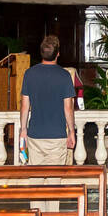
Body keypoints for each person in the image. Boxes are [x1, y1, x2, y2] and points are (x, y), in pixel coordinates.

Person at [19, 35, 77, 174]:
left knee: (36, 180)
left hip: (35, 135)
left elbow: (24, 106)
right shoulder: (64, 76)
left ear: (41, 53)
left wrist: (23, 130)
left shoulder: (29, 74)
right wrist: (71, 131)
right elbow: (68, 108)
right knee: (54, 181)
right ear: (58, 53)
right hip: (57, 136)